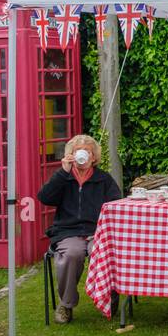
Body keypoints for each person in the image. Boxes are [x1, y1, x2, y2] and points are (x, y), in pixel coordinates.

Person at [37, 134, 122, 323]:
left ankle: (108, 296)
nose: (82, 155)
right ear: (71, 155)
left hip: (97, 232)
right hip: (68, 231)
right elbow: (44, 198)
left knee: (101, 253)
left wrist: (102, 230)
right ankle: (66, 304)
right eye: (77, 152)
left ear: (93, 157)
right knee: (71, 254)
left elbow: (116, 204)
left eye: (87, 152)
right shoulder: (63, 178)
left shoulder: (103, 179)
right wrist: (62, 172)